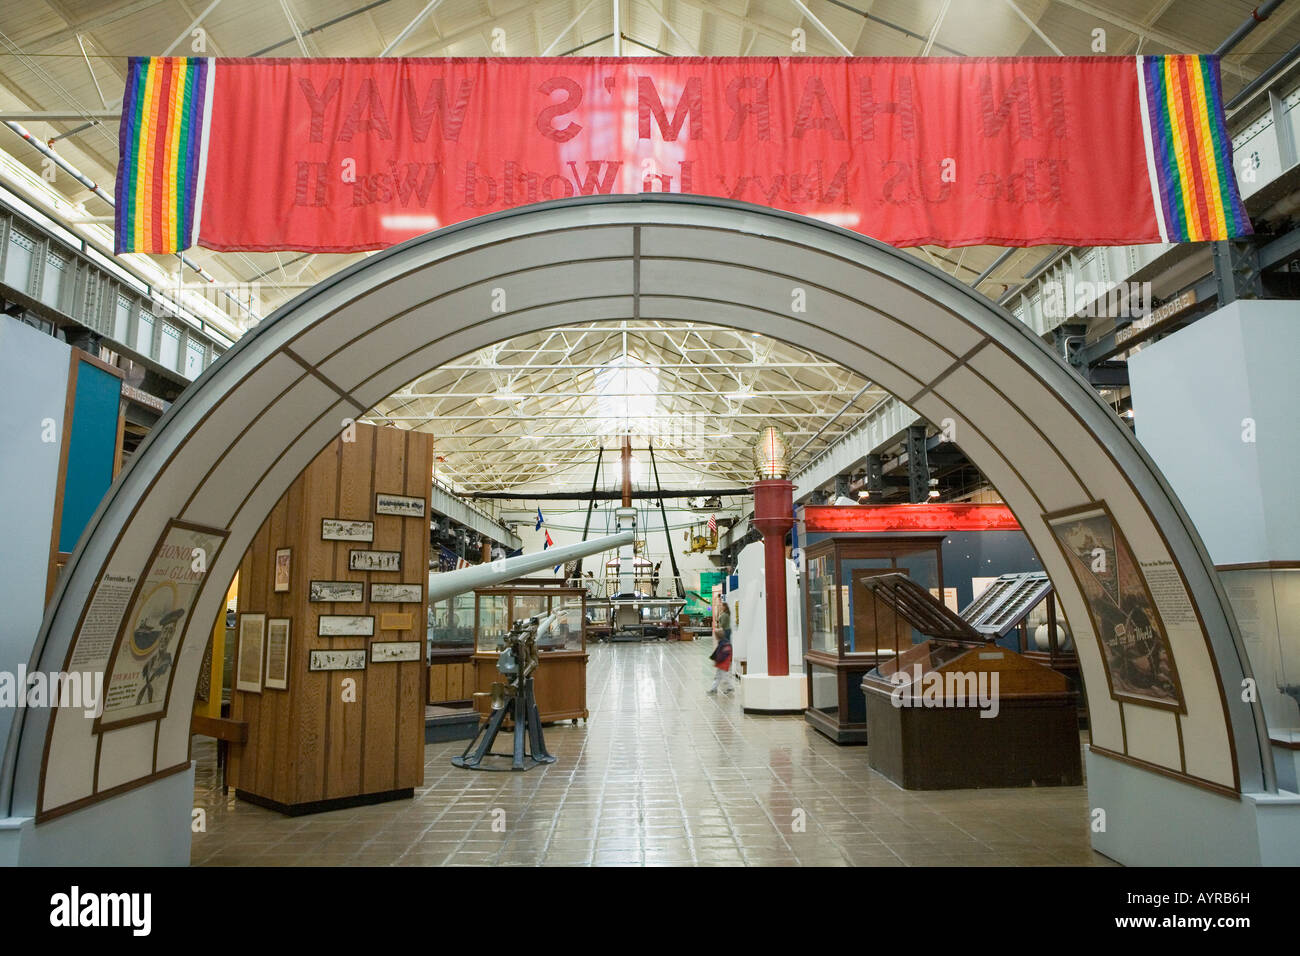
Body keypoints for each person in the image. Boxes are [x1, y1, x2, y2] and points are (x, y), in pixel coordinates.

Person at [708, 602, 733, 695]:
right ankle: (714, 689)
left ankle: (728, 687)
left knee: (722, 676)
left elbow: (723, 654)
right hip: (722, 664)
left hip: (722, 664)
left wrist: (717, 660)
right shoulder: (723, 644)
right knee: (720, 676)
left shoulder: (724, 644)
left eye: (722, 606)